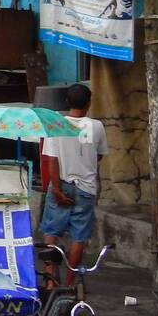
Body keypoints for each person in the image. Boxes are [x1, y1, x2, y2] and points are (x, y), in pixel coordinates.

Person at [39, 83, 108, 285]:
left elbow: (52, 160)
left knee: (51, 231)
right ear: (88, 103)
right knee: (79, 236)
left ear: (67, 102)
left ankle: (51, 281)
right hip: (86, 187)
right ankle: (69, 282)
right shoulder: (97, 126)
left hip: (61, 183)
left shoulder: (56, 124)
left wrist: (58, 189)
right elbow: (100, 156)